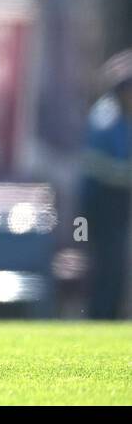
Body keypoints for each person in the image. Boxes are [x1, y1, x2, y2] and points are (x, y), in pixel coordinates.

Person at [80, 50, 132, 319]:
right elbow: (98, 166)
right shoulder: (105, 117)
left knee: (117, 266)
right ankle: (99, 317)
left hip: (119, 203)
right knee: (105, 264)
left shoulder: (125, 119)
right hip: (101, 204)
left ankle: (110, 316)